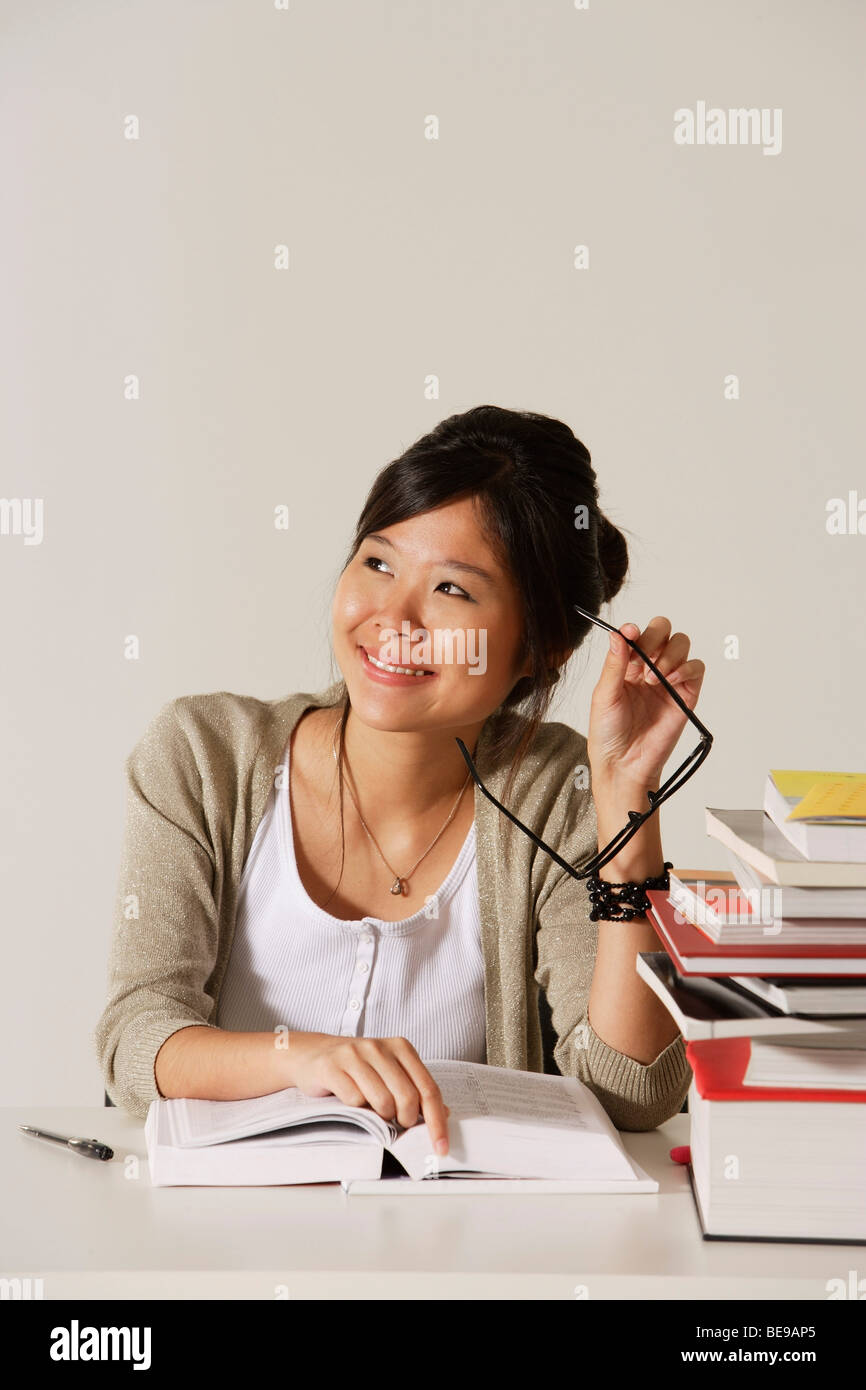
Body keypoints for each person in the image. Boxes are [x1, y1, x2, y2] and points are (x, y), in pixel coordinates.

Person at [94, 404, 705, 1154]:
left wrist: (626, 805)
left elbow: (632, 1092)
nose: (392, 617)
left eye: (452, 589)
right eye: (377, 563)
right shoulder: (204, 754)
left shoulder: (560, 792)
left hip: (457, 1251)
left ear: (540, 646)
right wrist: (307, 1057)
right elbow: (136, 1041)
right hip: (225, 1244)